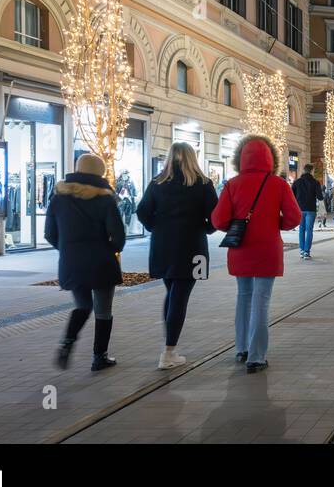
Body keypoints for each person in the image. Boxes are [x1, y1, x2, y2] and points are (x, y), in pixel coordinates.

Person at [211, 135, 302, 373]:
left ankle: (241, 348)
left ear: (240, 158)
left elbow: (218, 220)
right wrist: (275, 224)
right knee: (261, 301)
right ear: (271, 158)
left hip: (240, 248)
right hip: (267, 249)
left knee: (243, 297)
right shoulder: (278, 184)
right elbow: (295, 217)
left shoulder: (232, 184)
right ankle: (257, 356)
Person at [136, 142, 218, 370]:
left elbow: (142, 211)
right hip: (194, 246)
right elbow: (215, 218)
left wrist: (158, 228)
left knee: (172, 292)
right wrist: (204, 228)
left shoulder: (157, 183)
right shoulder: (203, 183)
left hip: (163, 246)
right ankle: (168, 351)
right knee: (180, 296)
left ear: (170, 158)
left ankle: (169, 348)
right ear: (193, 158)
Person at [45, 154, 126, 371]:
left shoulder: (58, 198)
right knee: (103, 311)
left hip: (71, 262)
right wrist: (112, 249)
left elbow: (49, 234)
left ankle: (67, 342)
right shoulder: (105, 199)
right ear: (99, 173)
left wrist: (67, 250)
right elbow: (118, 235)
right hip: (101, 262)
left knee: (83, 305)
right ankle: (100, 357)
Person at [292, 163, 324, 260]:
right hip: (310, 209)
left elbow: (291, 195)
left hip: (299, 209)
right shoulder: (315, 182)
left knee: (301, 229)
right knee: (309, 230)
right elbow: (320, 197)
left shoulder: (297, 182)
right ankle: (306, 252)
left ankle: (301, 250)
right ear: (311, 171)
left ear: (304, 170)